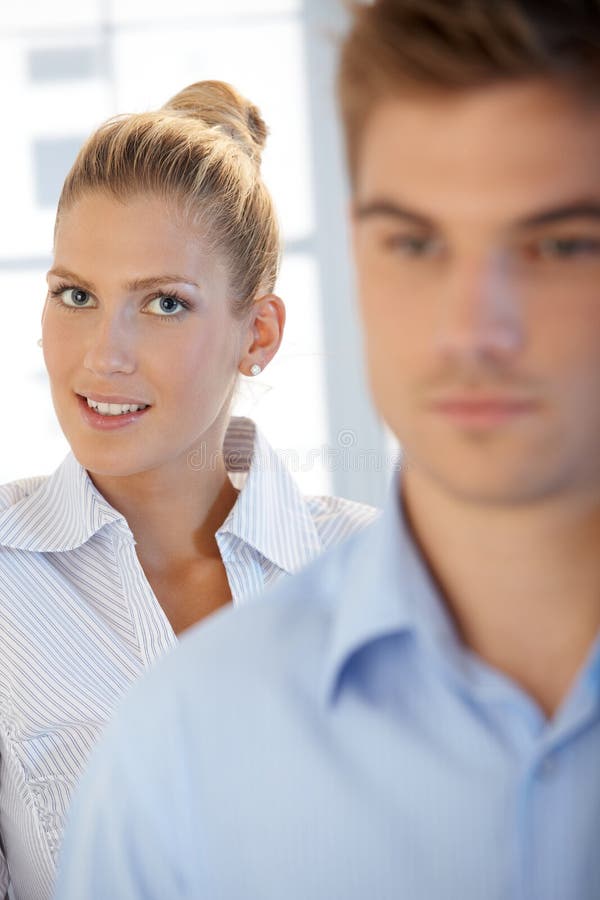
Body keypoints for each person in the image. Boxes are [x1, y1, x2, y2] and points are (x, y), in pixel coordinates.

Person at [55, 1, 600, 898]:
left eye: (559, 244)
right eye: (413, 242)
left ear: (260, 330)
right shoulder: (175, 746)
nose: (473, 331)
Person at [0, 80, 376, 900]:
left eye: (165, 303)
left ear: (259, 334)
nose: (104, 355)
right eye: (76, 296)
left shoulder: (378, 576)